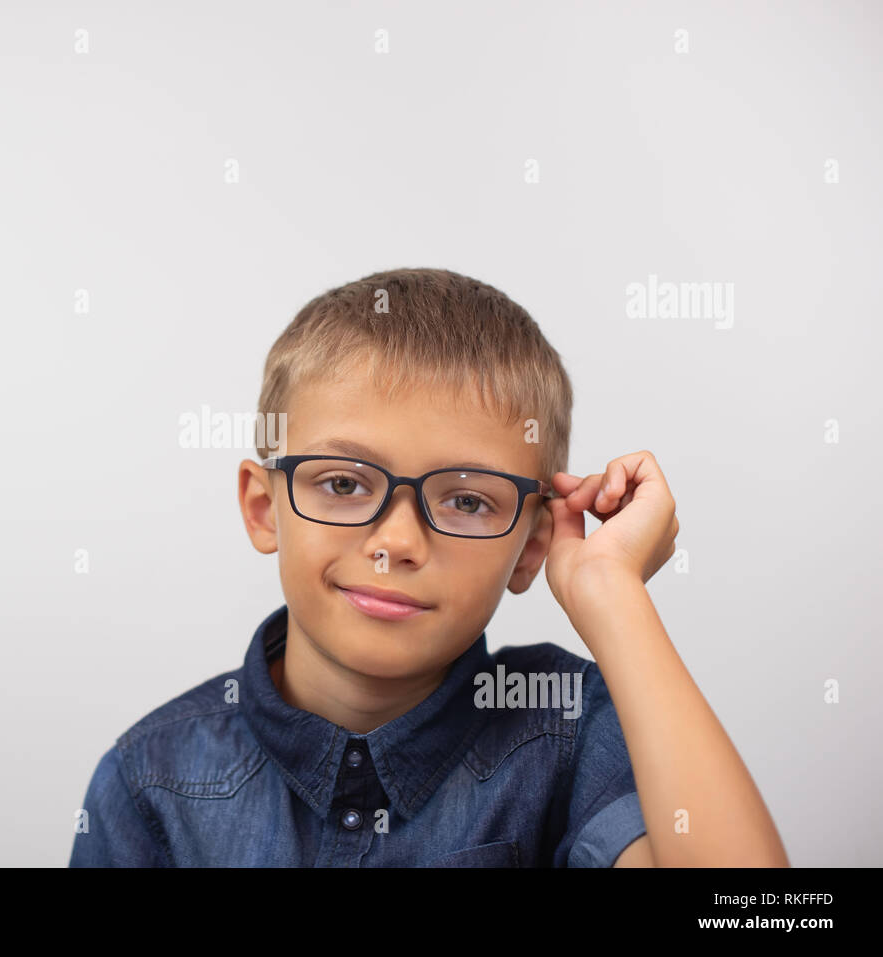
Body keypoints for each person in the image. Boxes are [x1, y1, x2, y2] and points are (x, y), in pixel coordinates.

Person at [68, 267, 788, 867]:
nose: (397, 541)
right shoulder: (148, 784)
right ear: (264, 508)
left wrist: (613, 594)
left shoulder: (568, 731)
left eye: (468, 499)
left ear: (532, 545)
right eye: (345, 483)